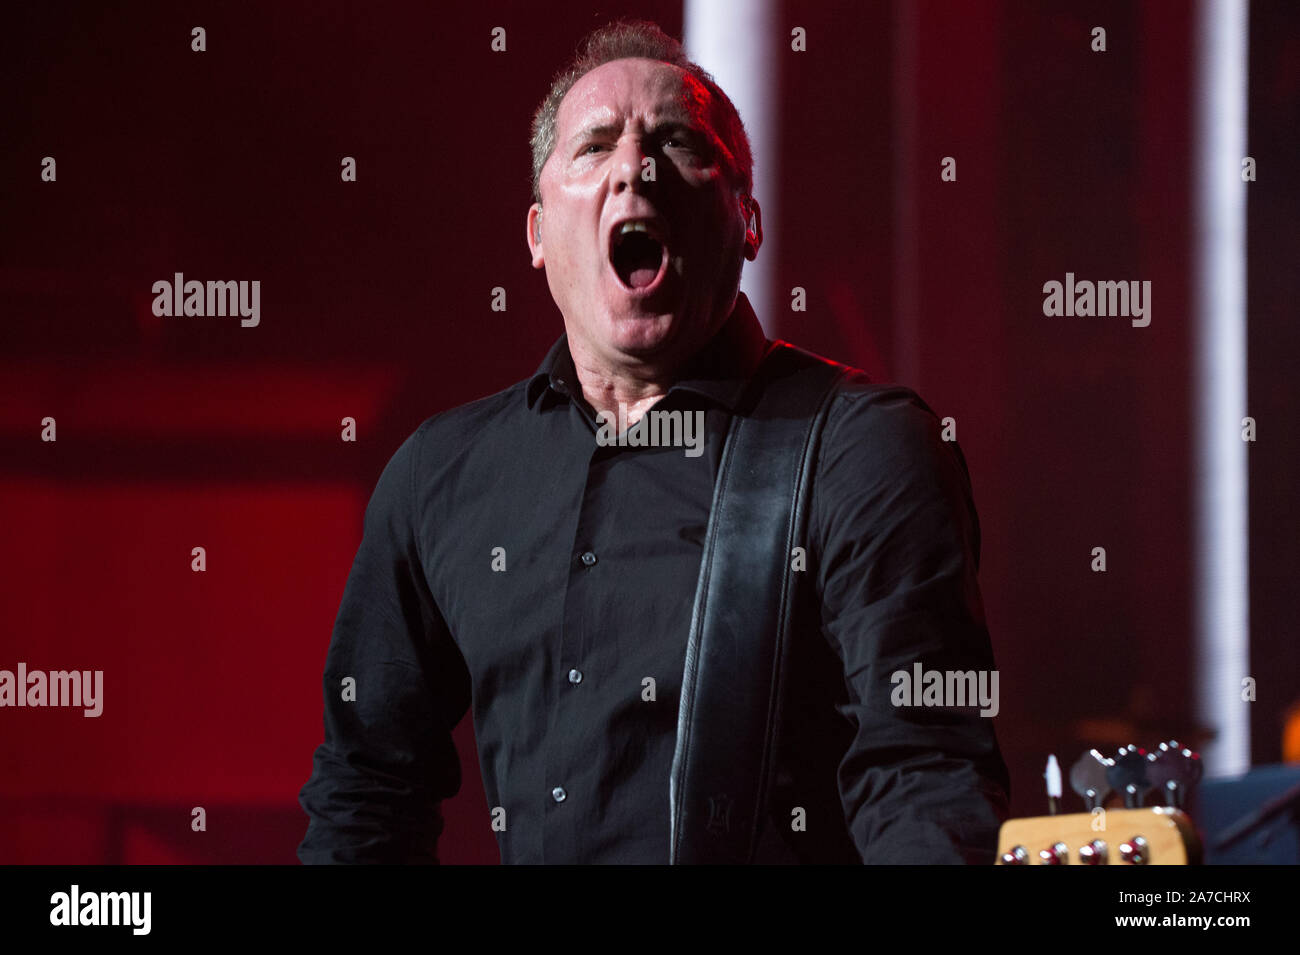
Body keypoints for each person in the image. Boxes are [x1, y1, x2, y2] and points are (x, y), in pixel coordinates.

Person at [296, 19, 1009, 864]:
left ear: (747, 220)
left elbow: (923, 773)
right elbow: (366, 791)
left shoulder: (865, 451)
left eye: (676, 143)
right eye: (594, 146)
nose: (635, 166)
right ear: (535, 235)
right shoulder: (439, 476)